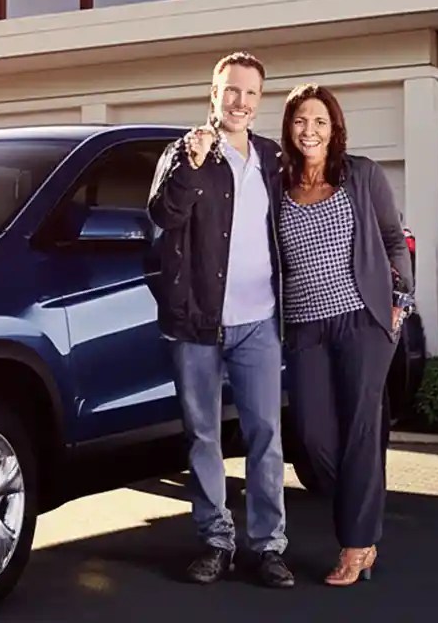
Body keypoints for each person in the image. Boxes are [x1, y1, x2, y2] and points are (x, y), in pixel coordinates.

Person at [145, 51, 294, 588]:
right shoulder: (183, 152)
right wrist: (191, 163)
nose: (240, 101)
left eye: (251, 93)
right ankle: (215, 542)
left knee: (265, 436)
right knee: (204, 437)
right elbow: (162, 215)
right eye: (231, 90)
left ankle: (268, 547)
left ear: (260, 100)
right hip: (197, 324)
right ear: (214, 93)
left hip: (260, 322)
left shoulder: (272, 158)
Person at [274, 83, 414, 586]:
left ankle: (356, 546)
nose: (309, 130)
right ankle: (362, 514)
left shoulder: (362, 174)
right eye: (300, 121)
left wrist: (400, 300)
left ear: (335, 129)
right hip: (305, 326)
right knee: (312, 437)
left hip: (364, 321)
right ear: (288, 129)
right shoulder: (277, 184)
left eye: (319, 121)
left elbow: (394, 239)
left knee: (360, 432)